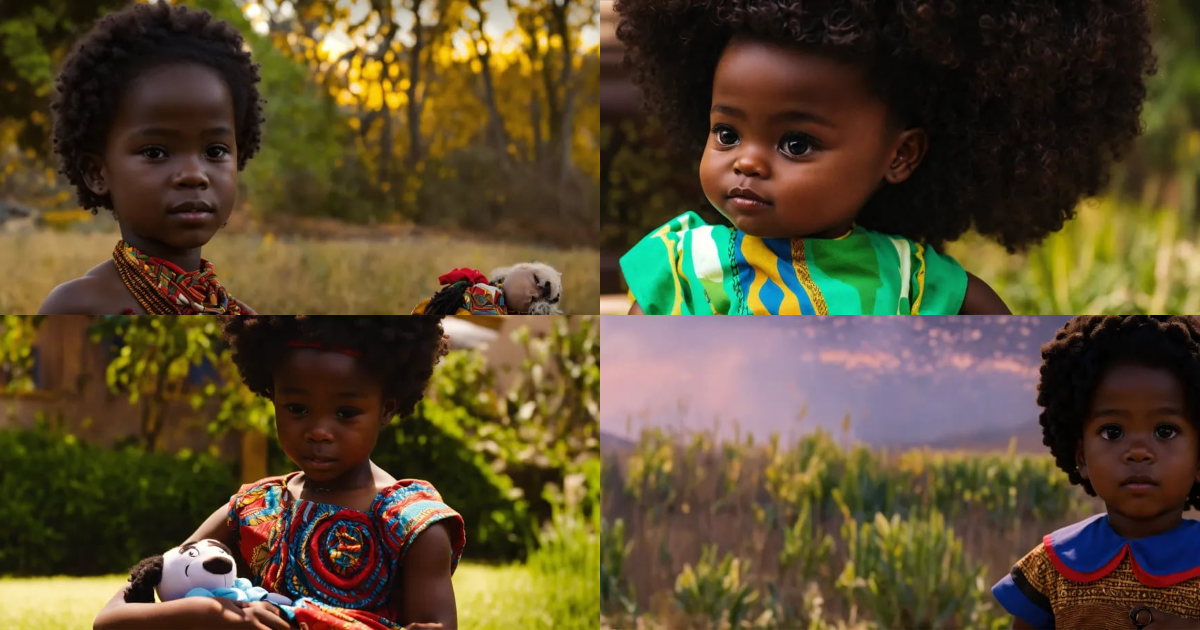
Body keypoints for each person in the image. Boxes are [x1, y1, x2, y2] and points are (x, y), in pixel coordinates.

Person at [614, 0, 1154, 315]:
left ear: (900, 156)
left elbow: (998, 331)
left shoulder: (906, 273)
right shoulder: (684, 261)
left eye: (796, 144)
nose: (748, 162)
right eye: (727, 133)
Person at [93, 316, 464, 629]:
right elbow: (111, 619)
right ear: (273, 398)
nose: (318, 431)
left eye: (346, 413)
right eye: (297, 408)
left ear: (387, 408)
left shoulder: (411, 524)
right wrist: (213, 613)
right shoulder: (253, 507)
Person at [39, 1, 264, 315]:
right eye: (156, 152)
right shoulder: (77, 307)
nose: (194, 174)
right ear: (97, 173)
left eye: (215, 151)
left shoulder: (240, 317)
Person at [993, 316, 1200, 629]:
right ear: (1081, 457)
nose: (1138, 452)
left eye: (1165, 431)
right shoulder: (1051, 564)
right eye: (1113, 432)